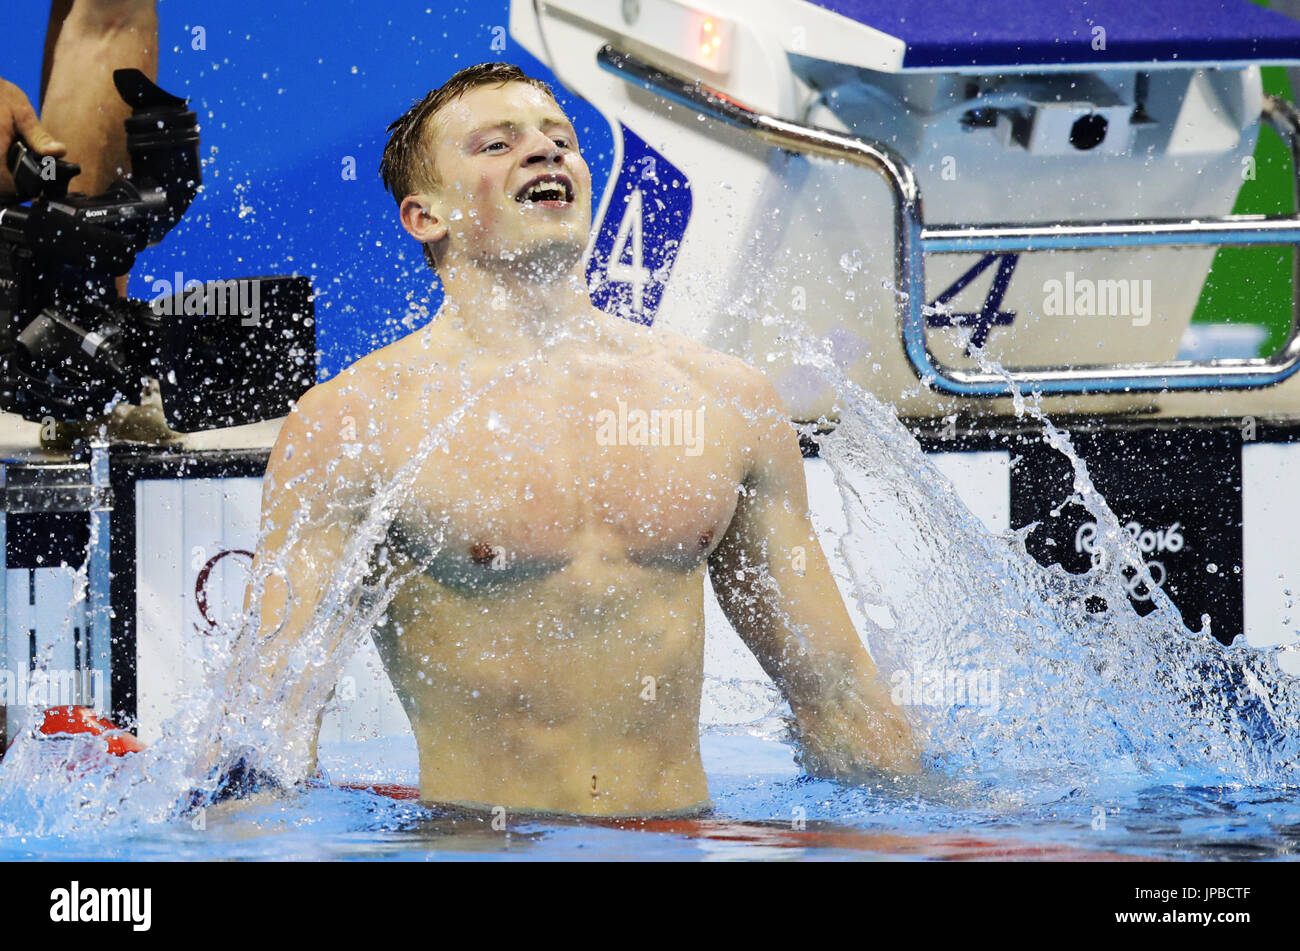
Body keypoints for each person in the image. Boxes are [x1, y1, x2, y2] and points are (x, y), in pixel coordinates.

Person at [242, 62, 920, 817]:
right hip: (482, 847)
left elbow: (837, 693)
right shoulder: (357, 421)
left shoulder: (724, 402)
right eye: (496, 145)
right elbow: (268, 716)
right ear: (424, 216)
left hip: (676, 841)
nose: (544, 152)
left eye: (559, 138)